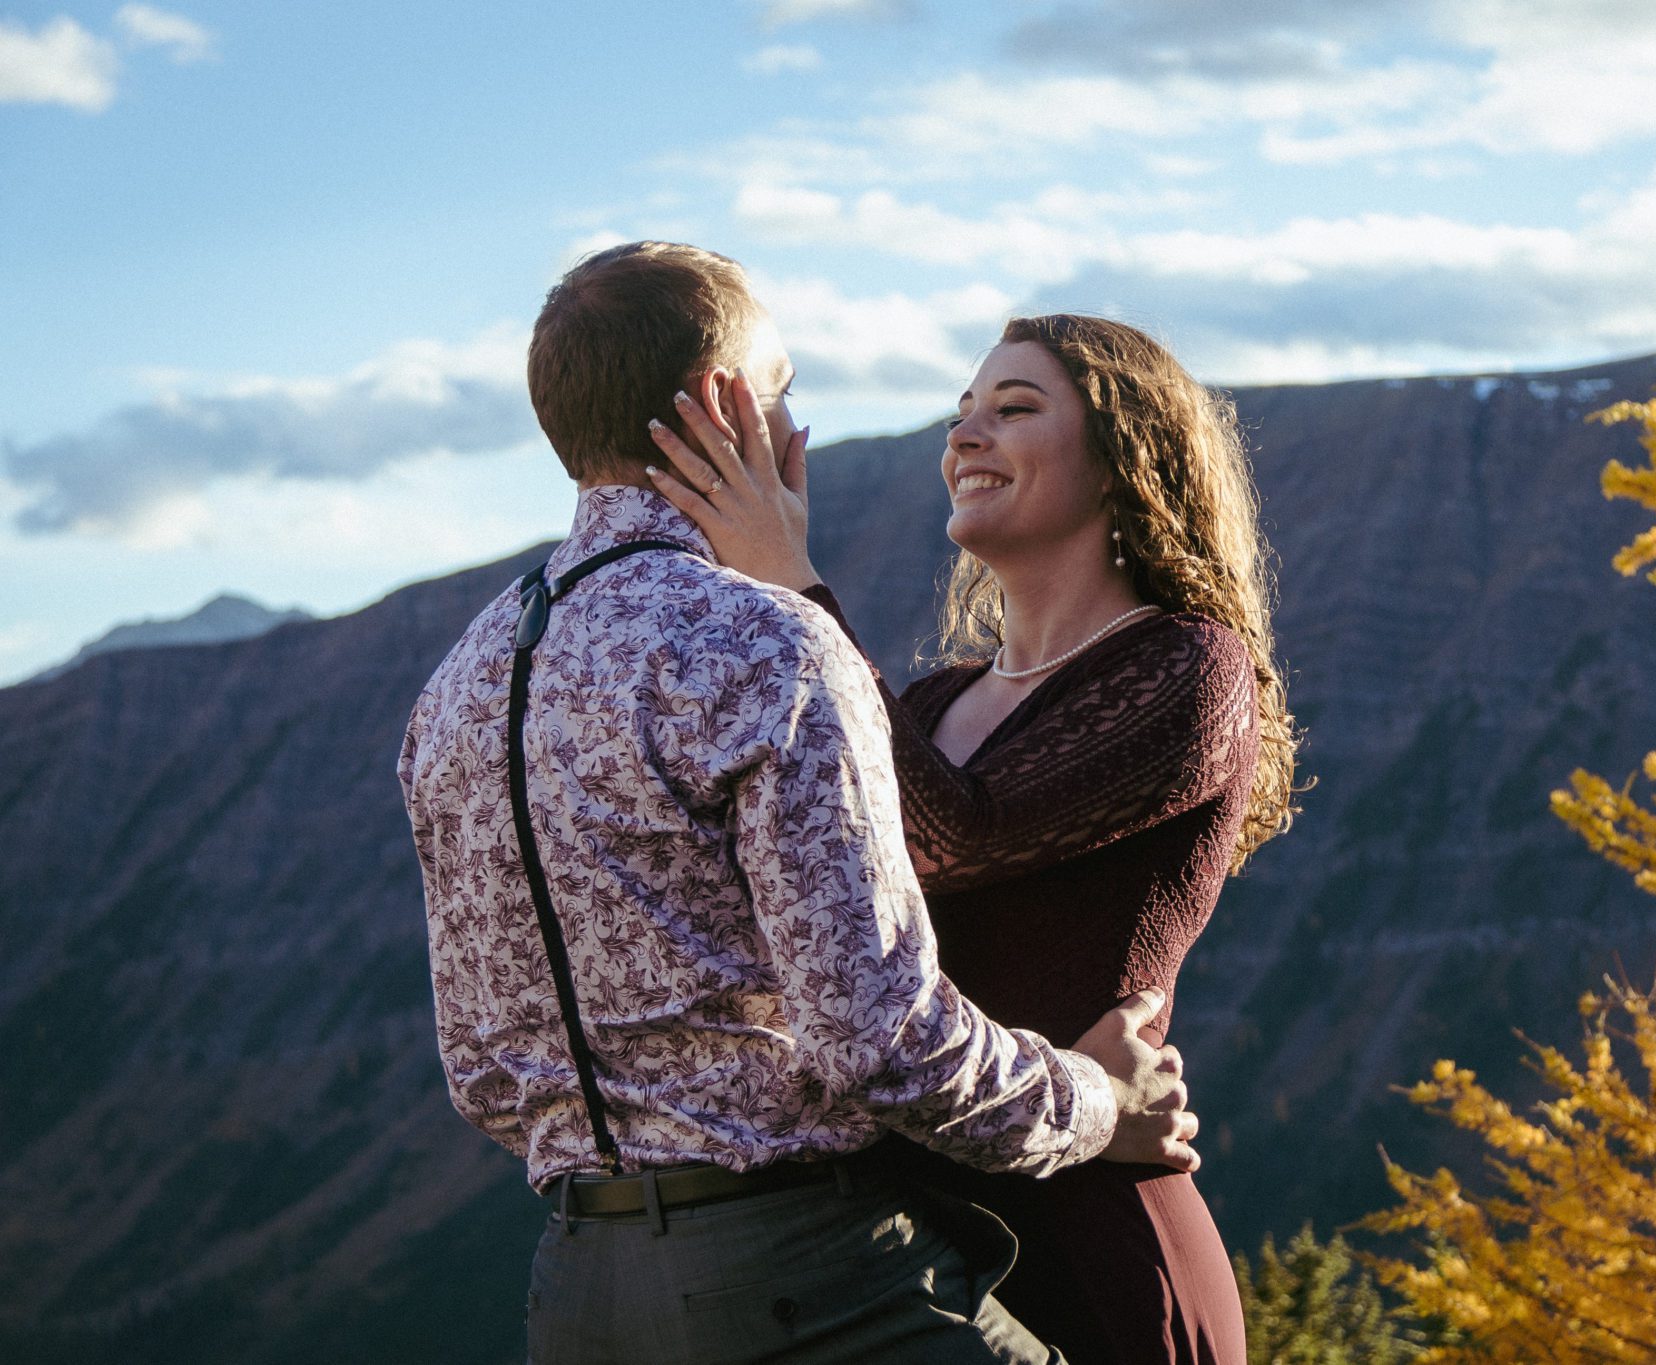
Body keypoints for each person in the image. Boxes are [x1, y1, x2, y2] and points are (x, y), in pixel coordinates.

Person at [397, 242, 1204, 1365]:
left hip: (580, 1295)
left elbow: (482, 1071)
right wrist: (1094, 1101)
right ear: (728, 405)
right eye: (781, 391)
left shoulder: (461, 685)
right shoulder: (765, 644)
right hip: (814, 1285)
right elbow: (881, 1044)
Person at [647, 312, 1302, 1365]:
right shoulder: (936, 697)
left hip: (1090, 1239)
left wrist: (788, 584)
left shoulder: (1189, 668)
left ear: (1122, 456)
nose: (964, 435)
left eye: (1013, 408)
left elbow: (951, 837)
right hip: (907, 1250)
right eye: (960, 414)